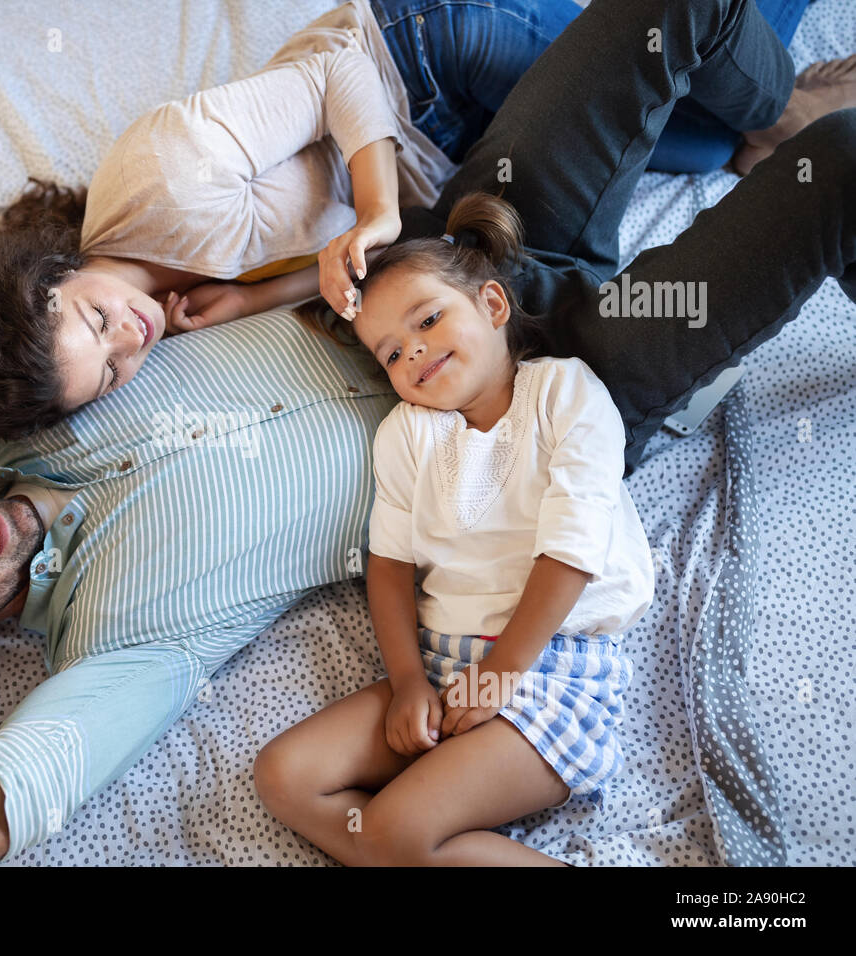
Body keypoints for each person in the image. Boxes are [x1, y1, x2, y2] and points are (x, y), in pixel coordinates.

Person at [0, 0, 856, 865]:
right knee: (841, 169)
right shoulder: (111, 652)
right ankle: (798, 143)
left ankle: (769, 121)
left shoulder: (23, 399)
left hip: (457, 266)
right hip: (558, 405)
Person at [0, 0, 843, 511]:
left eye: (96, 323)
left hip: (474, 226)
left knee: (679, 14)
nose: (134, 342)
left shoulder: (162, 182)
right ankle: (781, 135)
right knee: (833, 162)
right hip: (546, 364)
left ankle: (770, 112)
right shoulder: (115, 372)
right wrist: (298, 284)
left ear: (51, 270)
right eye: (114, 369)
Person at [251, 0, 856, 865]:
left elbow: (385, 270)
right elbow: (398, 555)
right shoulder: (424, 421)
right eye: (393, 354)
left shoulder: (204, 246)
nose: (407, 356)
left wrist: (304, 263)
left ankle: (775, 111)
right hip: (605, 360)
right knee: (844, 159)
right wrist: (417, 690)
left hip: (473, 245)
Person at [252, 196, 656, 865]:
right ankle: (413, 849)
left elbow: (571, 552)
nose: (415, 351)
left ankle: (404, 843)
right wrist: (408, 680)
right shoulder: (407, 435)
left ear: (493, 307)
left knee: (388, 829)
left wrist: (500, 675)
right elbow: (389, 567)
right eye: (391, 353)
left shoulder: (565, 395)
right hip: (442, 664)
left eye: (430, 320)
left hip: (550, 665)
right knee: (283, 776)